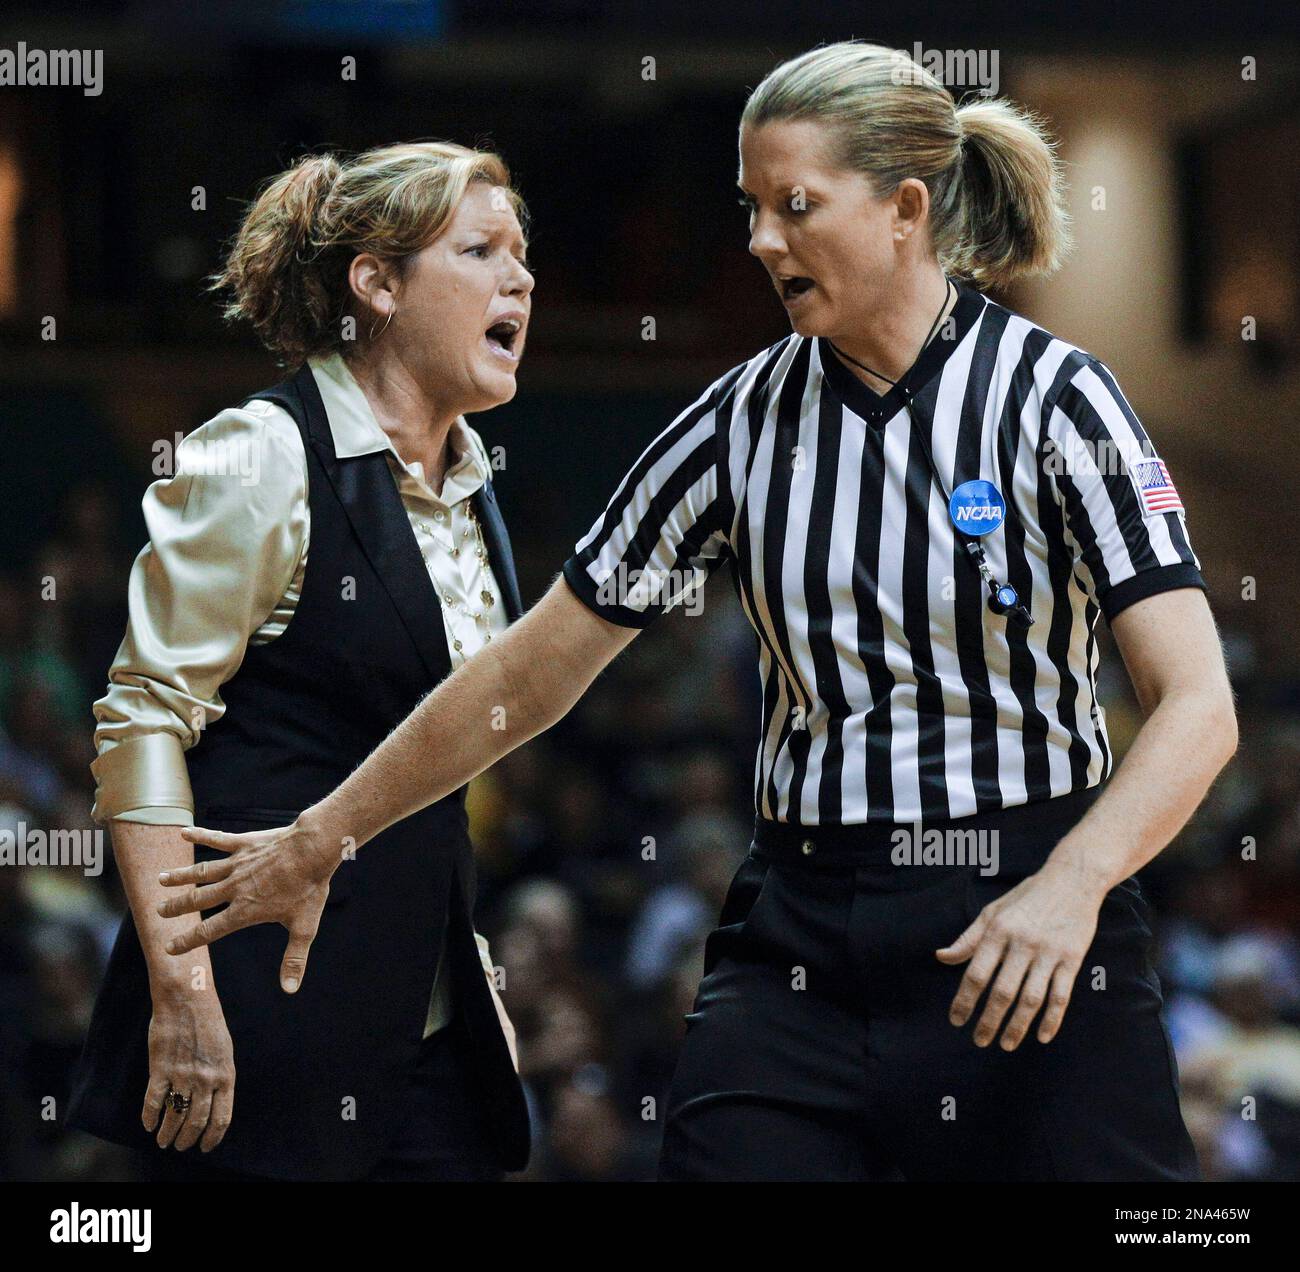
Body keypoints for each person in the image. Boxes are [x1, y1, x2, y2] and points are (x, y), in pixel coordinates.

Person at [160, 43, 1238, 1181]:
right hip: (802, 938)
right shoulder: (737, 422)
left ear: (905, 210)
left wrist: (1071, 888)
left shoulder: (1060, 400)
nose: (762, 240)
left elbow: (1198, 707)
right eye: (751, 207)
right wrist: (324, 835)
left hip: (1029, 918)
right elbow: (531, 674)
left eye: (795, 206)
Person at [64, 142, 533, 1181]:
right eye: (481, 250)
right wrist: (182, 994)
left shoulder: (471, 484)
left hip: (427, 1028)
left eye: (522, 253)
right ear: (375, 280)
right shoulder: (263, 452)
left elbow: (442, 764)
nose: (521, 278)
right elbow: (142, 716)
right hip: (252, 1022)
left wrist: (471, 972)